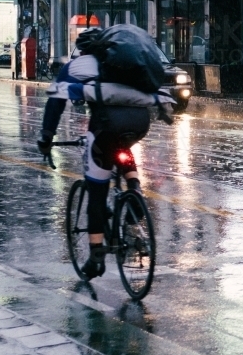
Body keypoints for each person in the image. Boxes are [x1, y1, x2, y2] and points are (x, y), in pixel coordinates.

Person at [37, 28, 174, 280]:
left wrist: (46, 137)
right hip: (139, 122)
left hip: (106, 125)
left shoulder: (79, 66)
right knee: (122, 149)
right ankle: (134, 189)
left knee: (96, 188)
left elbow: (55, 101)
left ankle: (96, 254)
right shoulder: (126, 65)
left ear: (84, 50)